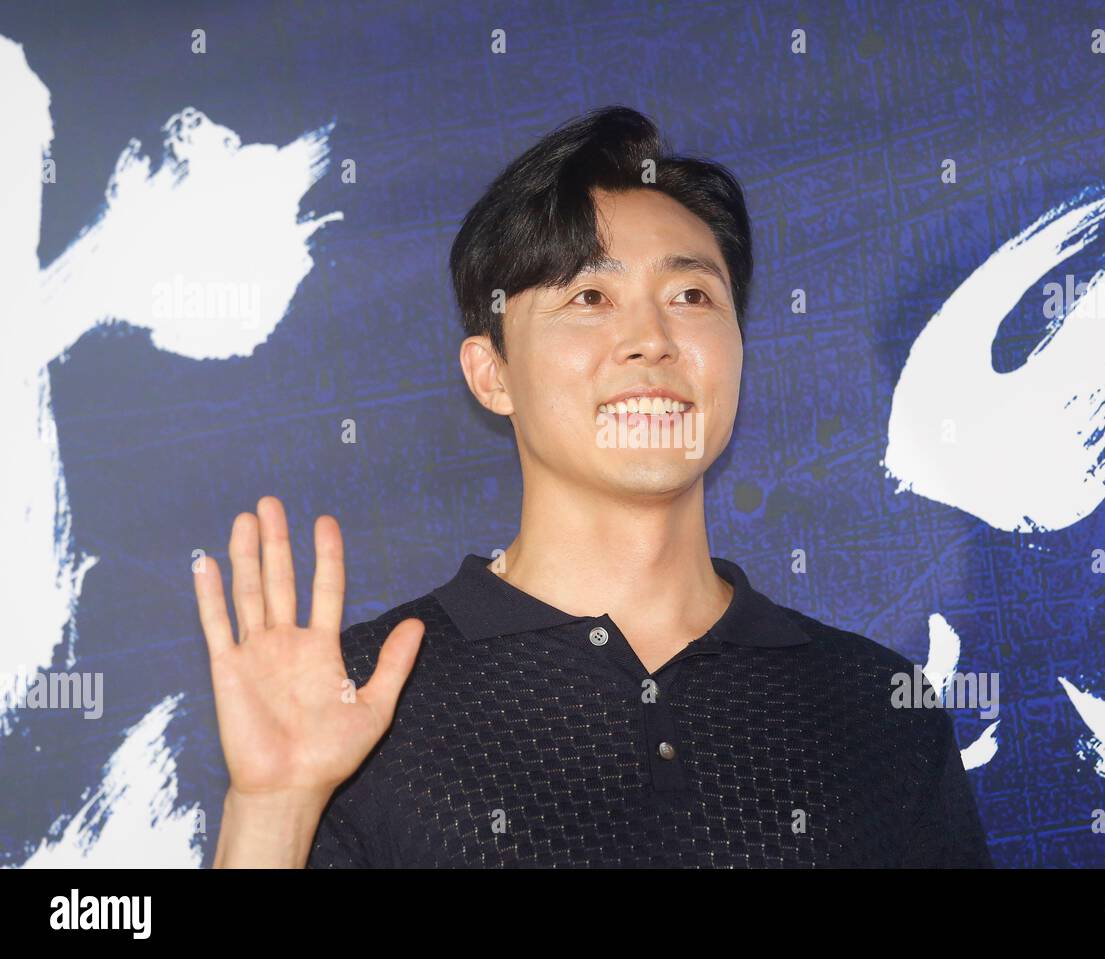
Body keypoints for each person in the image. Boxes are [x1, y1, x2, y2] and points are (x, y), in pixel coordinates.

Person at [193, 105, 993, 868]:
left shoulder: (874, 704)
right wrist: (273, 808)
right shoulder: (362, 697)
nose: (651, 340)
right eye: (589, 297)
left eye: (691, 296)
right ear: (492, 373)